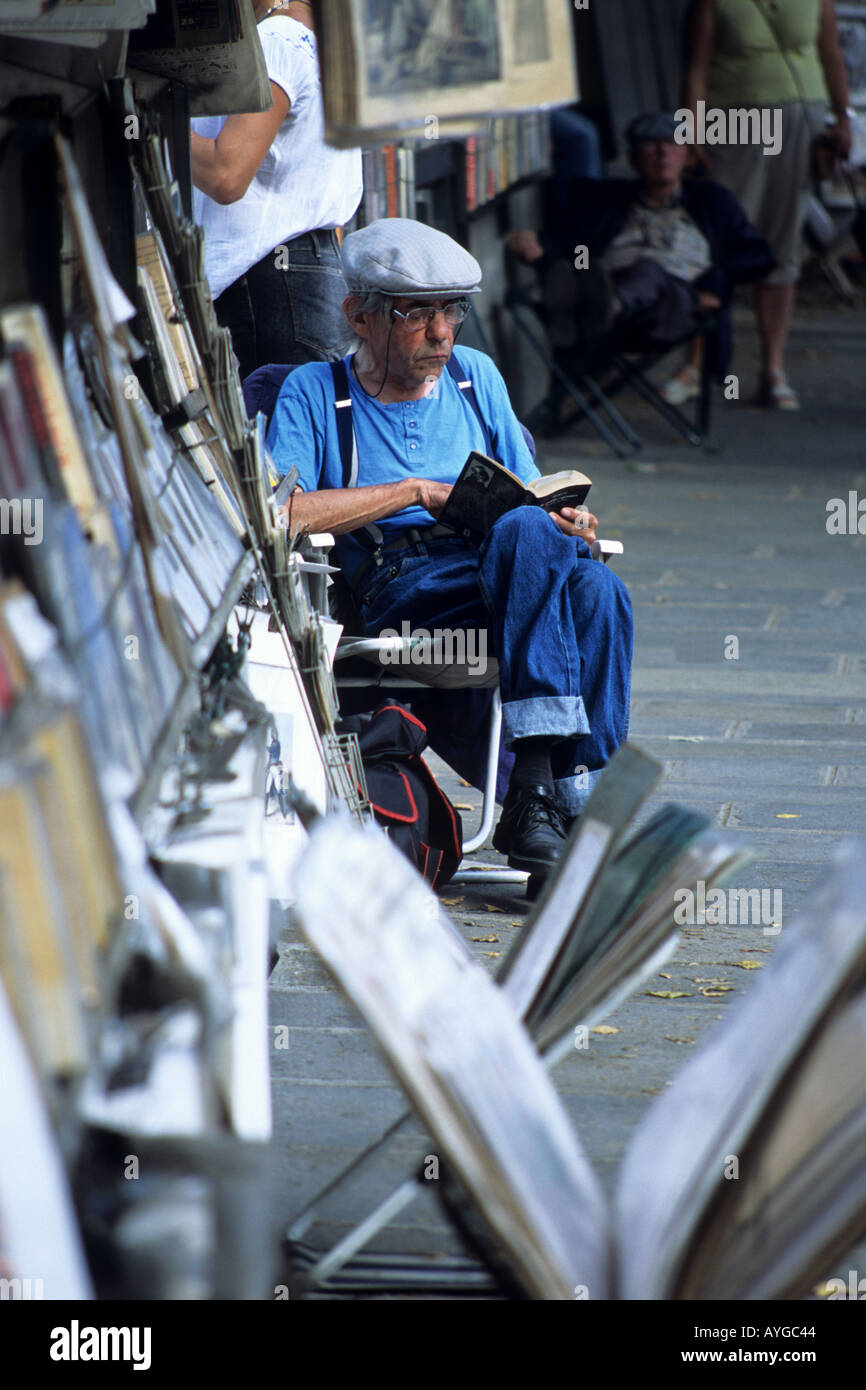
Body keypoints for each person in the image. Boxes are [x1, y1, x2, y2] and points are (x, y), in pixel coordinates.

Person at [265, 218, 634, 877]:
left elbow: (530, 493)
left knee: (597, 585)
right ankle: (555, 803)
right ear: (360, 316)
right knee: (535, 544)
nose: (442, 335)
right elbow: (283, 514)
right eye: (419, 316)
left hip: (508, 580)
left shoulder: (475, 377)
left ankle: (545, 798)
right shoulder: (315, 393)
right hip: (406, 588)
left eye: (452, 313)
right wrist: (413, 492)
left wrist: (568, 521)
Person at [507, 111, 774, 403]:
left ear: (687, 156)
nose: (662, 154)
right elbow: (568, 239)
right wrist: (536, 243)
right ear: (633, 158)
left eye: (672, 145)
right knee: (588, 271)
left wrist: (716, 281)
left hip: (677, 301)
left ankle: (599, 307)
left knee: (648, 270)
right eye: (650, 146)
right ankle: (594, 305)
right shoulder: (607, 199)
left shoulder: (712, 201)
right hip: (608, 287)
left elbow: (758, 255)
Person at [680, 0, 852, 409]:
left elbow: (831, 55)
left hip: (800, 124)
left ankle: (773, 370)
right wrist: (691, 132)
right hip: (732, 125)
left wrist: (843, 118)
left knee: (782, 244)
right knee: (713, 242)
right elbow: (696, 67)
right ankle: (696, 365)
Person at [190, 0, 363, 379]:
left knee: (276, 430)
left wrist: (142, 119)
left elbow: (225, 174)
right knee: (305, 429)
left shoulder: (277, 42)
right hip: (302, 273)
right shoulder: (323, 46)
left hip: (271, 282)